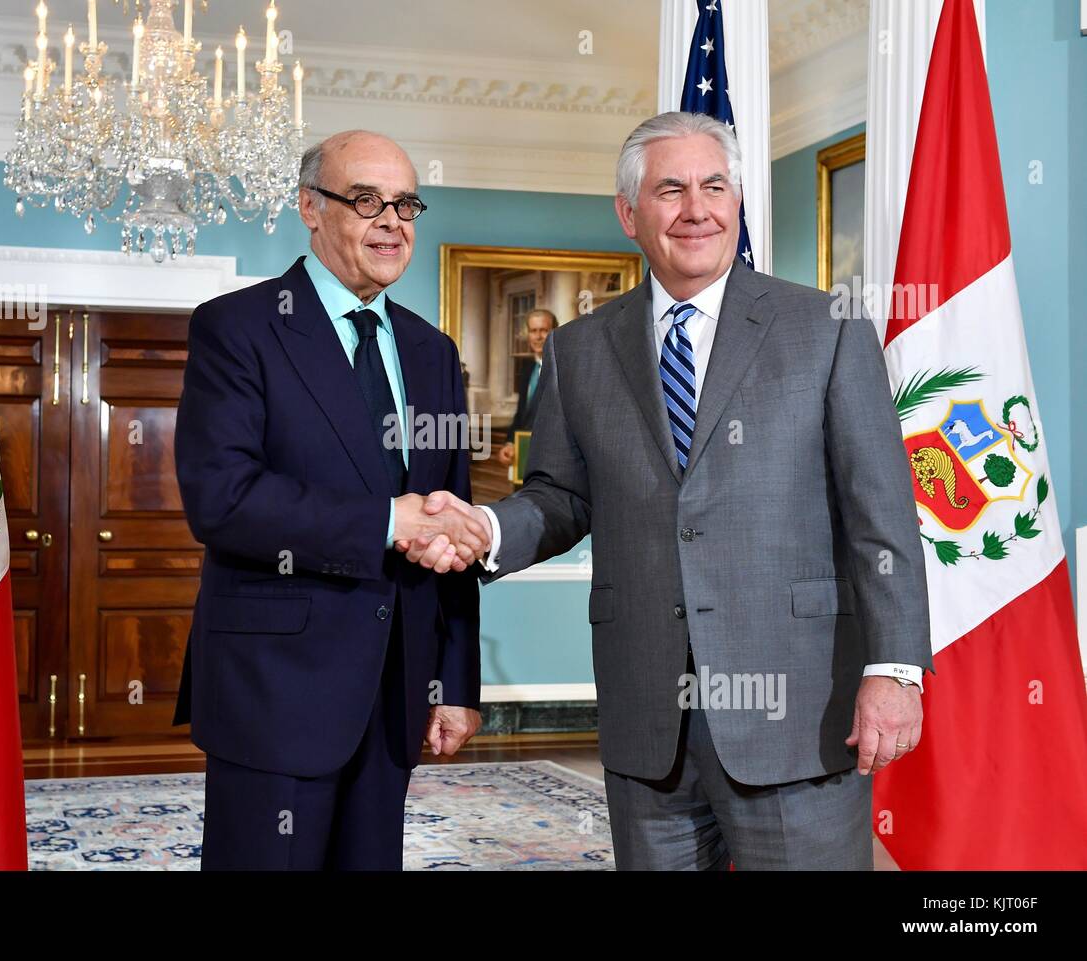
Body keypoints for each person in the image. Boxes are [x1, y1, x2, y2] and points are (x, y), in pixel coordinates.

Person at [400, 112, 932, 870]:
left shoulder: (825, 328)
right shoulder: (581, 348)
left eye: (715, 186)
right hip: (648, 723)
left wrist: (895, 669)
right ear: (628, 212)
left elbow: (882, 515)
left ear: (737, 200)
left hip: (799, 713)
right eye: (671, 189)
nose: (697, 209)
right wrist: (486, 527)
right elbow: (562, 496)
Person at [173, 130, 489, 870]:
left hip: (397, 690)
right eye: (366, 200)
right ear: (310, 208)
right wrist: (388, 520)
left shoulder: (433, 351)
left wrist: (457, 681)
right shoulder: (237, 327)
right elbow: (221, 498)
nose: (392, 222)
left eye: (406, 203)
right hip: (275, 690)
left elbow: (453, 517)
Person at [497, 308, 558, 467]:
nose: (538, 337)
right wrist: (510, 443)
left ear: (555, 332)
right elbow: (521, 414)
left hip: (552, 458)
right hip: (523, 456)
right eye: (533, 331)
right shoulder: (526, 369)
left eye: (544, 330)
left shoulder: (565, 368)